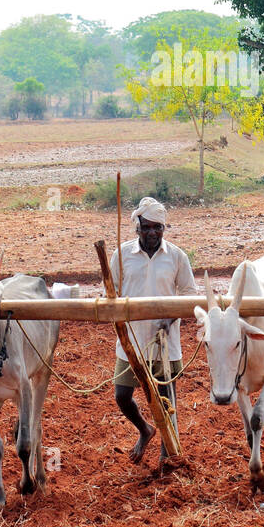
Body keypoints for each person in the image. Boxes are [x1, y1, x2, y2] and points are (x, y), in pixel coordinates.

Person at [109, 196, 196, 464]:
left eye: (158, 227)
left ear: (164, 229)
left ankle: (166, 454)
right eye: (146, 227)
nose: (152, 233)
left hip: (165, 342)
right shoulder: (121, 256)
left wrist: (169, 318)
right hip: (131, 341)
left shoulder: (177, 257)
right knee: (122, 396)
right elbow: (110, 292)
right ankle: (144, 430)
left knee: (166, 399)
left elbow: (190, 294)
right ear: (137, 227)